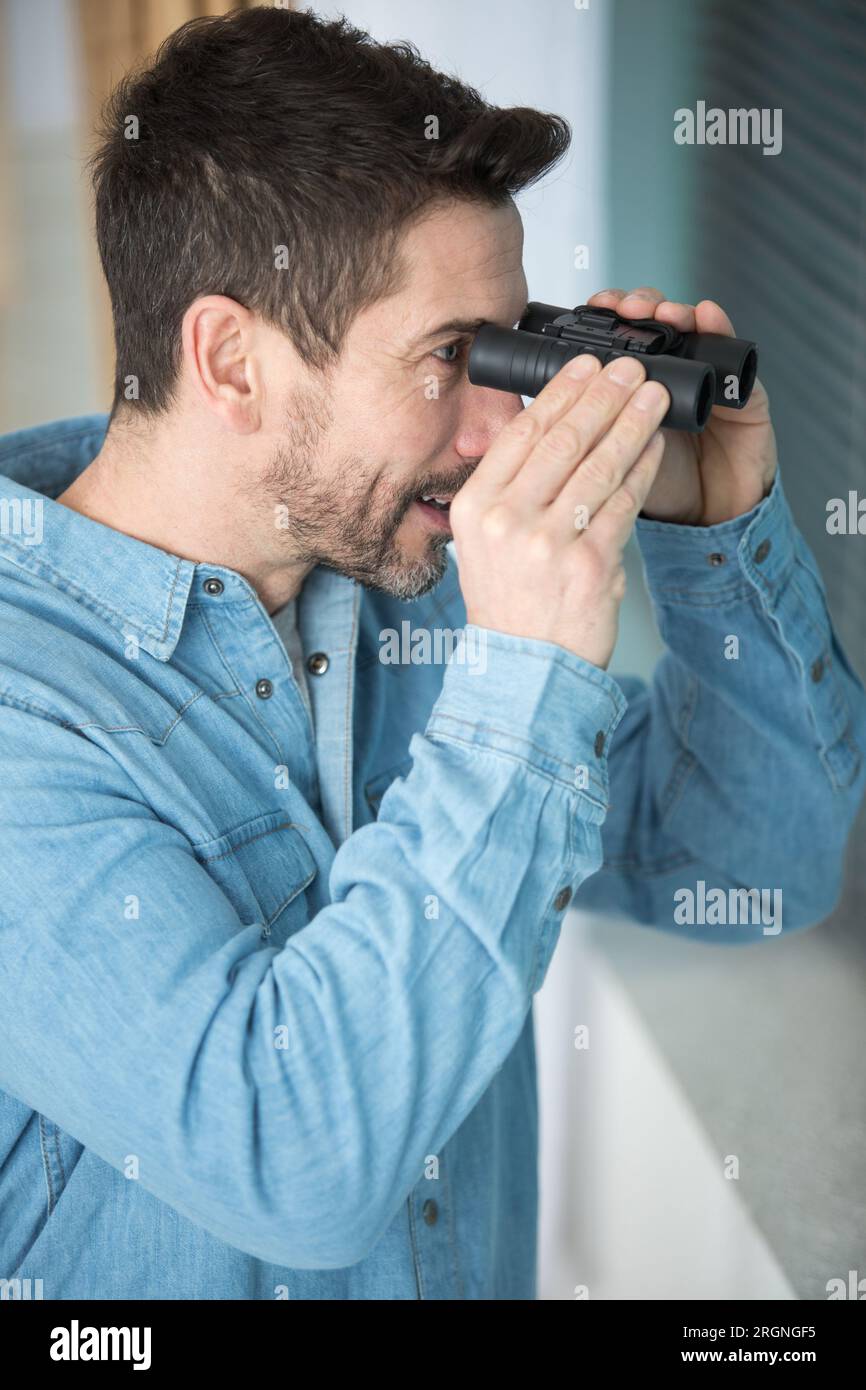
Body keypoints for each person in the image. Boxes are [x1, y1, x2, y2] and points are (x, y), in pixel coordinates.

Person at [0, 6, 863, 1301]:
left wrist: (713, 530)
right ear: (231, 361)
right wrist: (523, 678)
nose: (497, 421)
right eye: (451, 357)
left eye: (512, 344)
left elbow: (747, 863)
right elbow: (300, 1166)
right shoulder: (28, 712)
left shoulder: (409, 593)